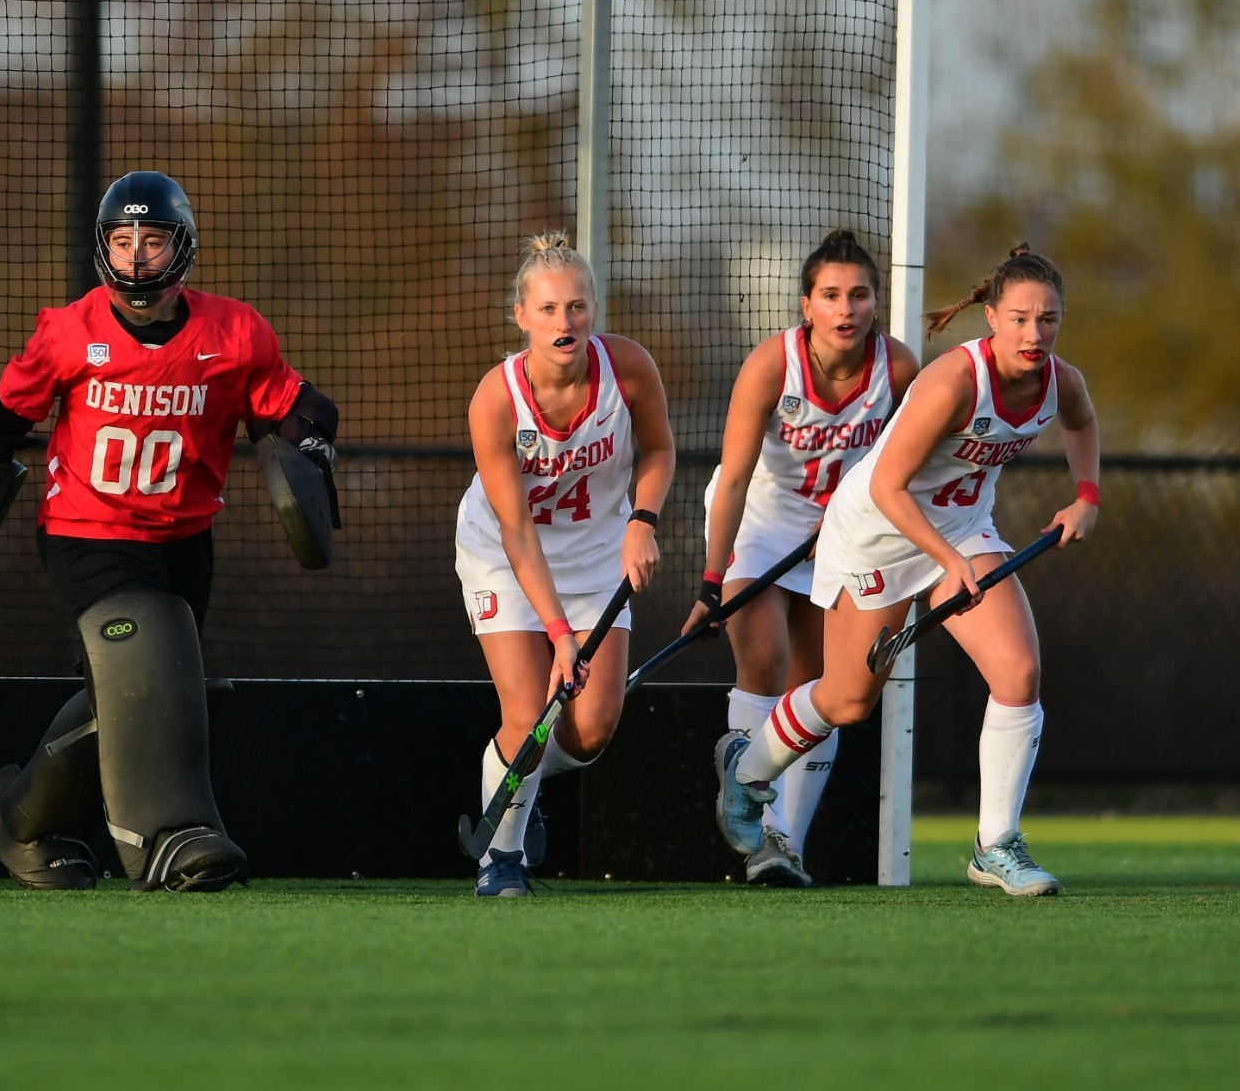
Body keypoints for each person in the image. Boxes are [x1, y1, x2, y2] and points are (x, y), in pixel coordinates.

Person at [0, 170, 339, 893]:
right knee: (150, 651)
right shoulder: (69, 331)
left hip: (186, 541)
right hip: (86, 533)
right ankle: (170, 836)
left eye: (152, 241)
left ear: (181, 247)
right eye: (122, 241)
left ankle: (13, 818)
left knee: (133, 694)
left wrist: (311, 443)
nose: (135, 258)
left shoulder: (236, 332)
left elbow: (298, 404)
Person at [714, 244, 1099, 897]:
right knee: (847, 698)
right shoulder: (953, 380)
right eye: (1020, 319)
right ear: (993, 318)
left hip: (961, 531)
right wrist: (949, 562)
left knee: (1019, 671)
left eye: (1048, 320)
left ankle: (996, 844)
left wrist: (1086, 495)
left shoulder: (1062, 380)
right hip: (873, 534)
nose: (1034, 334)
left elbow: (1081, 423)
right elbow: (890, 486)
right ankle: (746, 769)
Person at [684, 230, 918, 886]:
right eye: (832, 295)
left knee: (825, 688)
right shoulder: (771, 365)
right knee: (763, 656)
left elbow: (912, 465)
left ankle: (785, 843)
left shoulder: (898, 369)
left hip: (841, 538)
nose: (846, 309)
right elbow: (732, 478)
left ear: (876, 303)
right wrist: (710, 580)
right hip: (760, 524)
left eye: (860, 295)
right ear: (806, 305)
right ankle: (753, 827)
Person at [455, 232, 675, 898]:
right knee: (528, 711)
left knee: (590, 729)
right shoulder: (496, 400)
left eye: (577, 307)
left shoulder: (630, 369)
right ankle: (502, 858)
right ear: (521, 315)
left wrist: (643, 521)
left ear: (594, 312)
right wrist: (558, 633)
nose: (565, 322)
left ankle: (512, 787)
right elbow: (517, 529)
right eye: (548, 309)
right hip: (505, 556)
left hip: (596, 557)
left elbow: (660, 450)